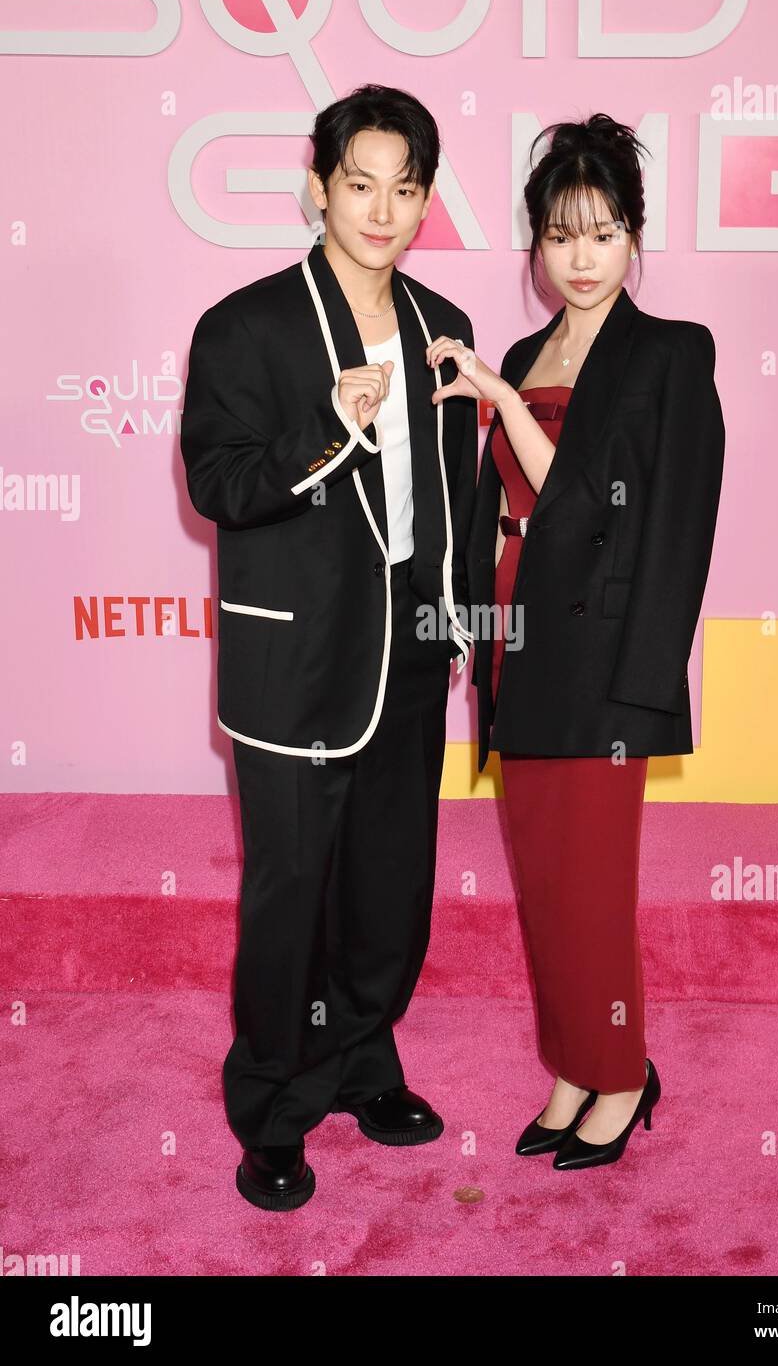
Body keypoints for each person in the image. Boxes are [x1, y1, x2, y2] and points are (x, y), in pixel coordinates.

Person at [179, 84, 478, 1210]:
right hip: (297, 662)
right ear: (319, 187)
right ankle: (271, 1103)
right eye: (361, 184)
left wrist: (457, 630)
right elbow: (218, 483)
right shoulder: (243, 326)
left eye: (406, 189)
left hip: (408, 647)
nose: (383, 209)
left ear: (424, 200)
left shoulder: (443, 324)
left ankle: (362, 1060)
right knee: (292, 888)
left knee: (389, 885)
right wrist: (328, 430)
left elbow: (458, 496)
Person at [451, 114, 725, 1170]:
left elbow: (663, 527)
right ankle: (571, 1061)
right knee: (542, 878)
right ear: (537, 243)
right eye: (562, 235)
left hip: (608, 663)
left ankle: (622, 1072)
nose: (581, 256)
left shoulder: (669, 354)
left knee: (595, 881)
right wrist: (476, 636)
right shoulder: (523, 351)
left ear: (634, 238)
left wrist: (648, 677)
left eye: (602, 234)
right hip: (522, 653)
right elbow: (495, 513)